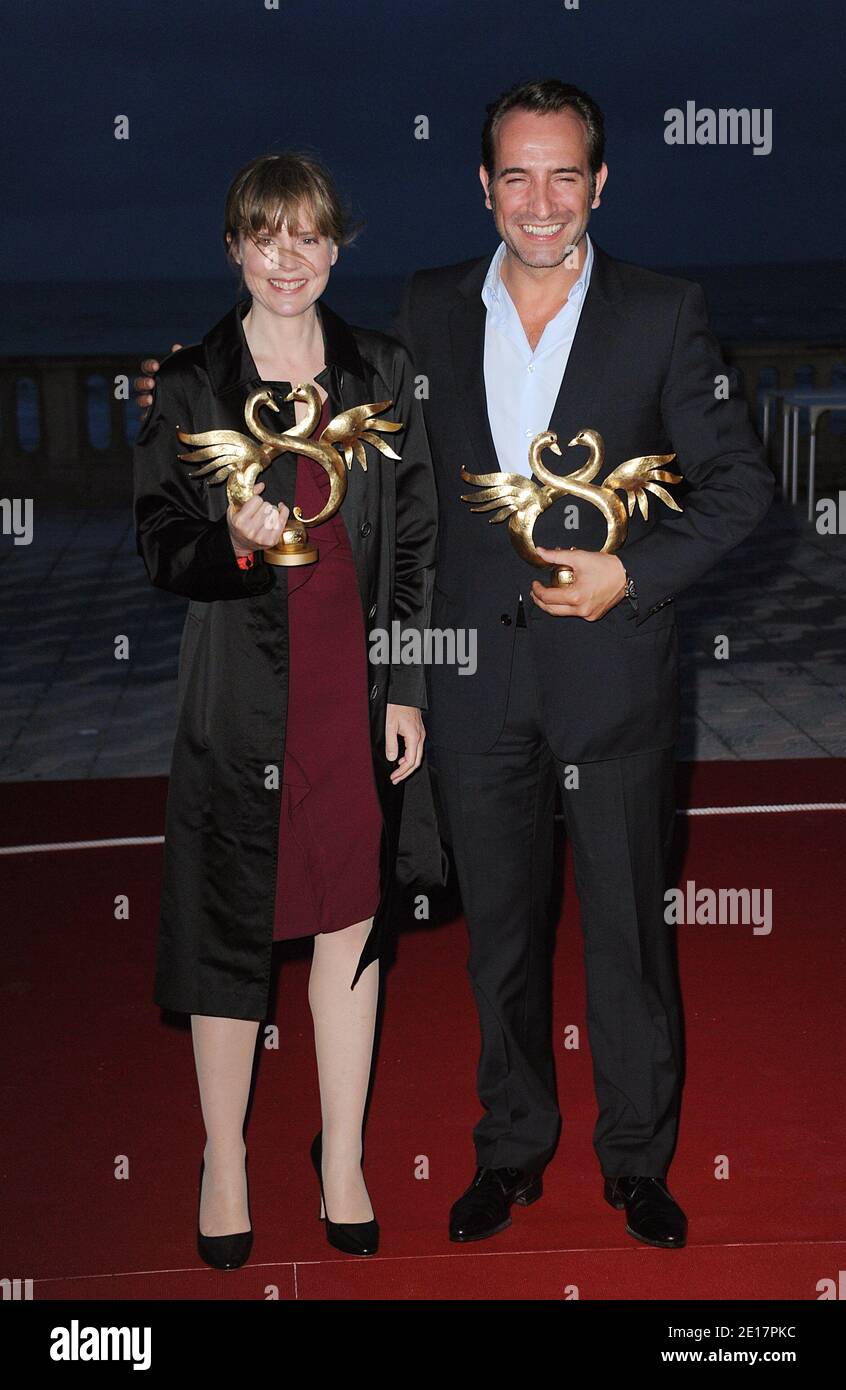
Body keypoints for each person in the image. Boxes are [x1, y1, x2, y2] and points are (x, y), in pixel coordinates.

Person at [390, 79, 774, 1248]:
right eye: (517, 175)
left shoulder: (663, 311)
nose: (541, 201)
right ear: (485, 186)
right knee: (500, 936)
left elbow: (744, 486)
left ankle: (637, 1158)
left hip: (612, 674)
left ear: (600, 184)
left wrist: (634, 574)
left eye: (565, 175)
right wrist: (405, 677)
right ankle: (510, 1147)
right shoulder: (427, 310)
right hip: (474, 685)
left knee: (626, 931)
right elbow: (400, 507)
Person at [132, 149, 441, 1267]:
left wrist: (406, 684)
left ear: (335, 245)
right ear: (234, 248)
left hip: (347, 693)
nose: (287, 258)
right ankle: (225, 1155)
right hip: (238, 694)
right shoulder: (191, 386)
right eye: (265, 235)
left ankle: (345, 1152)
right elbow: (161, 545)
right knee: (230, 932)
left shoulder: (384, 372)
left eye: (308, 235)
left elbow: (415, 544)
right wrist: (233, 545)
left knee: (350, 927)